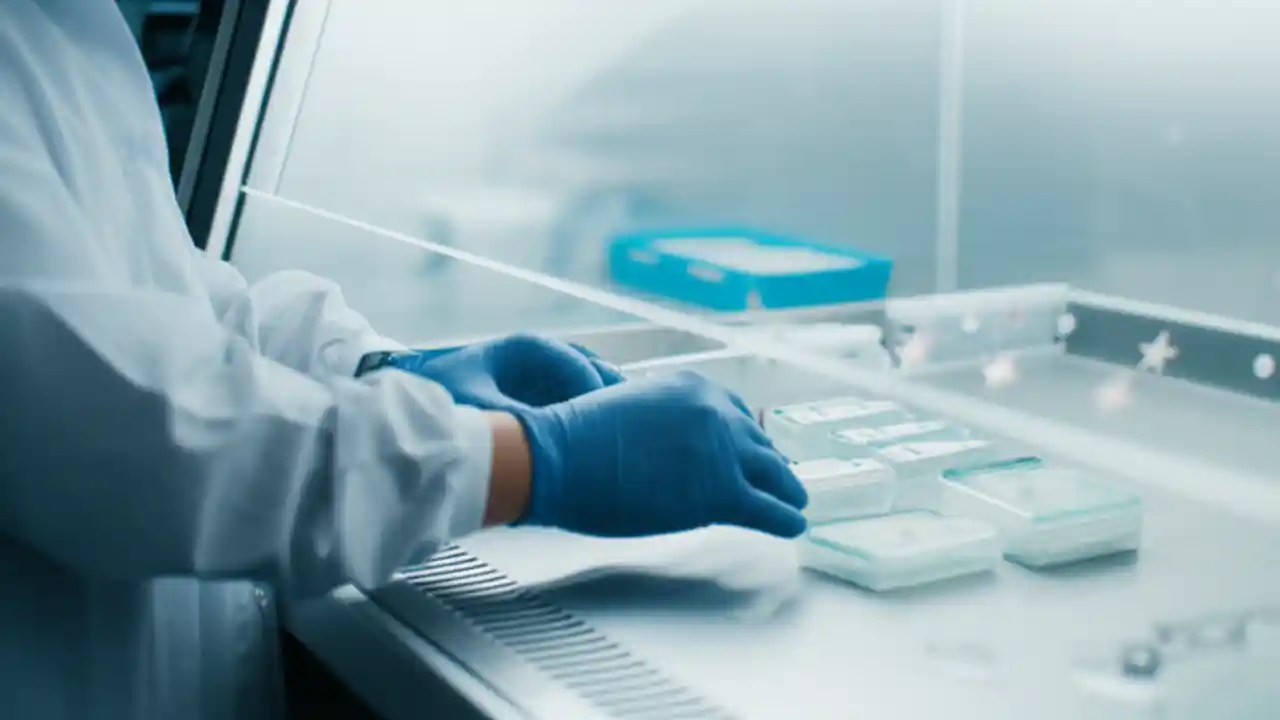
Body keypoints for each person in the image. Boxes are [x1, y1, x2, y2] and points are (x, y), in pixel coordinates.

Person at [0, 2, 807, 719]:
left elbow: (162, 311)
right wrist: (529, 462)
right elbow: (137, 445)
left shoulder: (64, 27)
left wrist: (373, 370)